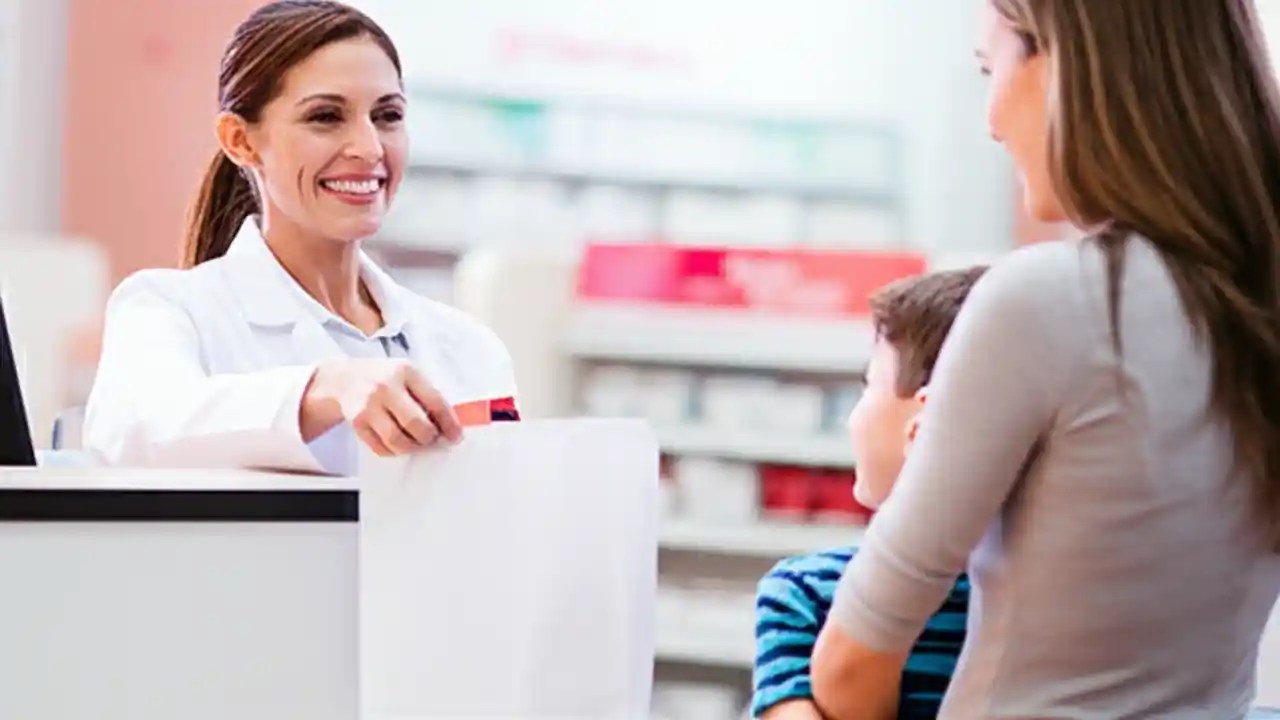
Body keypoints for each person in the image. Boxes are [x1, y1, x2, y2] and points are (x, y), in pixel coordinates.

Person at [809, 1, 1280, 718]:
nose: (991, 119)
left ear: (1066, 64)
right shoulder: (1257, 315)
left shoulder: (1053, 298)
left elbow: (851, 662)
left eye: (990, 68)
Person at [83, 1, 517, 475]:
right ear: (240, 141)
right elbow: (136, 432)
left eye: (387, 115)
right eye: (326, 117)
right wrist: (325, 387)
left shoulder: (467, 347)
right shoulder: (170, 307)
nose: (369, 147)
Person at [752, 267, 984, 720]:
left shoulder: (807, 593)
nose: (853, 418)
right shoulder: (1059, 598)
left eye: (869, 385)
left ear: (930, 419)